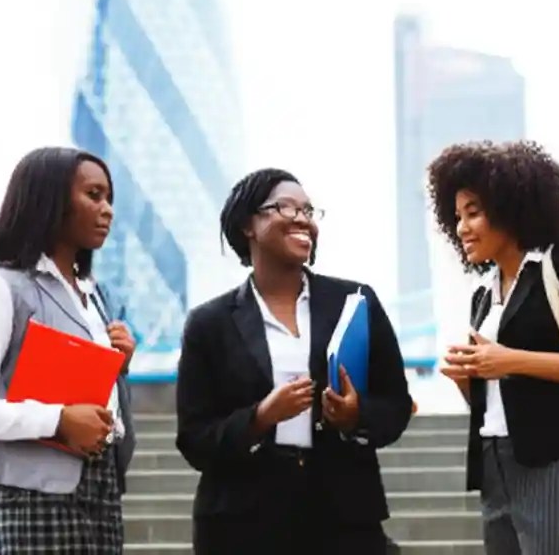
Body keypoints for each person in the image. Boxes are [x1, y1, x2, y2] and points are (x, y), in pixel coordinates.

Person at [175, 168, 413, 555]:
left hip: (343, 517)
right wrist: (261, 417)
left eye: (308, 210)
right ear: (248, 225)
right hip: (242, 522)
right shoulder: (209, 323)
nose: (302, 218)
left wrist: (354, 415)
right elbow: (194, 438)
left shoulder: (354, 302)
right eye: (285, 207)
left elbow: (396, 404)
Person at [428, 140, 559, 555]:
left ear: (510, 206)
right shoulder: (483, 294)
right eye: (457, 216)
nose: (461, 227)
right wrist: (469, 379)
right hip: (495, 461)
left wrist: (507, 360)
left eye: (474, 213)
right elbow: (496, 396)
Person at [0, 147, 137, 554]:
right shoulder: (4, 287)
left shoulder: (94, 296)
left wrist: (118, 370)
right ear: (49, 200)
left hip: (100, 490)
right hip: (34, 499)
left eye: (109, 199)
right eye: (94, 195)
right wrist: (58, 420)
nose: (107, 211)